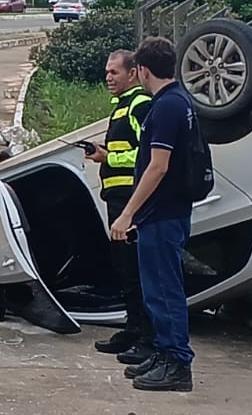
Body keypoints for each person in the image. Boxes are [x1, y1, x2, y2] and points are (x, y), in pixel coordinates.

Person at [108, 37, 199, 392]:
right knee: (157, 290)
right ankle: (164, 353)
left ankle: (177, 363)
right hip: (165, 212)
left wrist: (128, 212)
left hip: (162, 213)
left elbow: (157, 167)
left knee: (164, 290)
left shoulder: (165, 108)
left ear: (142, 71)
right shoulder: (177, 102)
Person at [83, 49, 152, 357]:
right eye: (107, 72)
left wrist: (108, 156)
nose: (108, 77)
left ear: (133, 73)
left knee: (136, 270)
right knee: (124, 269)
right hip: (116, 198)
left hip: (131, 200)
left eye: (114, 72)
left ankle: (144, 336)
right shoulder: (121, 107)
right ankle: (132, 329)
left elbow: (148, 154)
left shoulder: (140, 105)